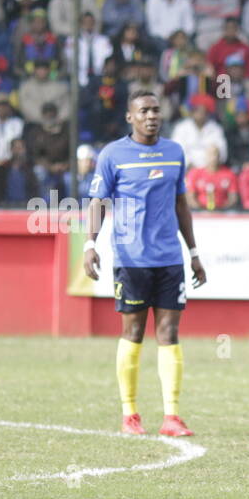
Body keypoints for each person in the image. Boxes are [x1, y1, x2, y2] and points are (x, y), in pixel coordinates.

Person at [84, 91, 207, 436]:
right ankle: (130, 415)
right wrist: (90, 245)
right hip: (131, 258)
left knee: (169, 333)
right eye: (144, 110)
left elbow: (181, 204)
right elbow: (97, 202)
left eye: (156, 110)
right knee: (133, 332)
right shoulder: (112, 155)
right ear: (130, 117)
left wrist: (194, 253)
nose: (152, 115)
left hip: (169, 259)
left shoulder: (174, 152)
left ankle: (172, 416)